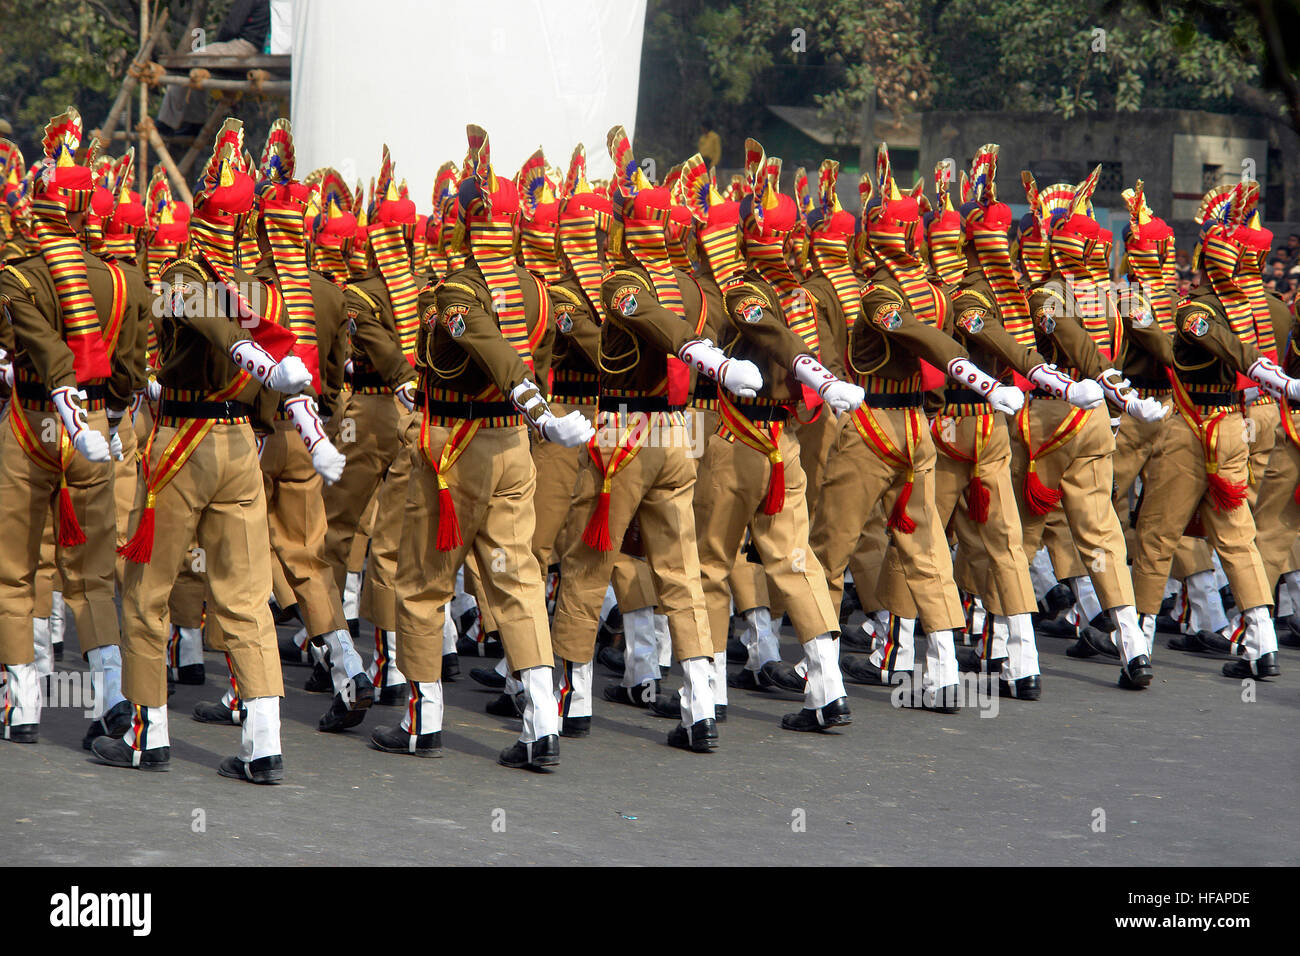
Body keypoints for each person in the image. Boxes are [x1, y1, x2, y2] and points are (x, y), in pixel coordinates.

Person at [93, 118, 312, 782]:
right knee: (246, 596)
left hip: (183, 444)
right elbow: (266, 339)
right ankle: (265, 743)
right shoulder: (260, 278)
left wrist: (252, 361)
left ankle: (146, 731)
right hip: (242, 444)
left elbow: (209, 316)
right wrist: (271, 402)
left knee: (147, 588)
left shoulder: (187, 266)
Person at [0, 108, 144, 745]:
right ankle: (109, 697)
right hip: (90, 426)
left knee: (15, 570)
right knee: (93, 575)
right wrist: (109, 421)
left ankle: (23, 703)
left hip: (32, 423)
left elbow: (17, 348)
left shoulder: (19, 275)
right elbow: (130, 373)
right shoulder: (123, 280)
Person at [156, 0, 272, 134]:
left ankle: (166, 122)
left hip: (242, 46)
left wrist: (218, 44)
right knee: (198, 70)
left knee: (187, 63)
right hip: (254, 47)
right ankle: (194, 122)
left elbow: (232, 27)